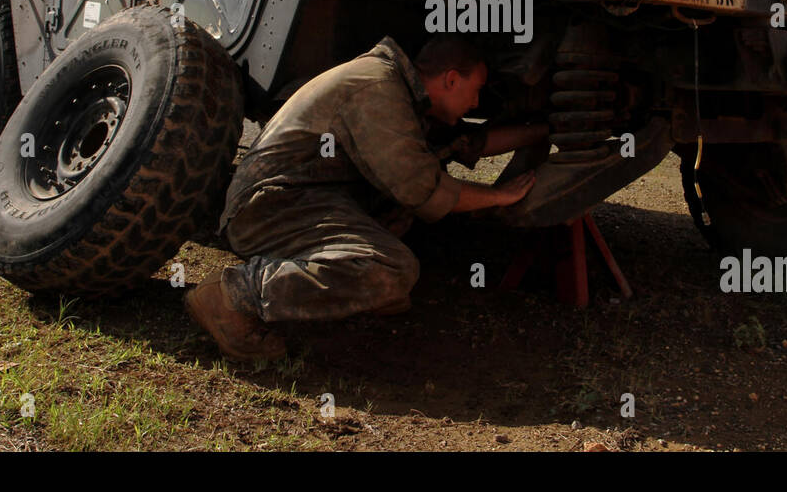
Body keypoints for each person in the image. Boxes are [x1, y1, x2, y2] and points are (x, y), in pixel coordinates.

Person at [185, 34, 547, 359]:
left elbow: (467, 145)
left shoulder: (399, 93)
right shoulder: (377, 87)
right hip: (271, 207)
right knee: (390, 270)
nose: (477, 102)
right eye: (476, 90)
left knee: (392, 246)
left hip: (304, 201)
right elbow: (421, 188)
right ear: (451, 79)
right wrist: (497, 196)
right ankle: (232, 296)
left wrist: (544, 130)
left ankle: (350, 282)